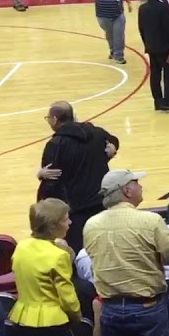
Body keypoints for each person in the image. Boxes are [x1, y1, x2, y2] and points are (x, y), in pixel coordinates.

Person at [83, 169, 169, 336]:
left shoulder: (90, 225)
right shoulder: (150, 220)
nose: (141, 186)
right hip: (147, 307)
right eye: (136, 182)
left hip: (110, 308)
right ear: (127, 190)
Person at [8, 199, 83, 336]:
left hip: (22, 321)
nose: (70, 223)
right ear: (52, 226)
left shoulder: (21, 247)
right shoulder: (58, 255)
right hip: (50, 326)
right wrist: (76, 317)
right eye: (65, 219)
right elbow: (67, 297)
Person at [36, 101, 119, 251]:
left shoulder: (56, 144)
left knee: (79, 249)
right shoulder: (97, 133)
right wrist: (112, 150)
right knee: (104, 245)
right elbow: (113, 141)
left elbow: (51, 178)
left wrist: (41, 177)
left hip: (75, 208)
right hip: (101, 200)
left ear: (54, 119)